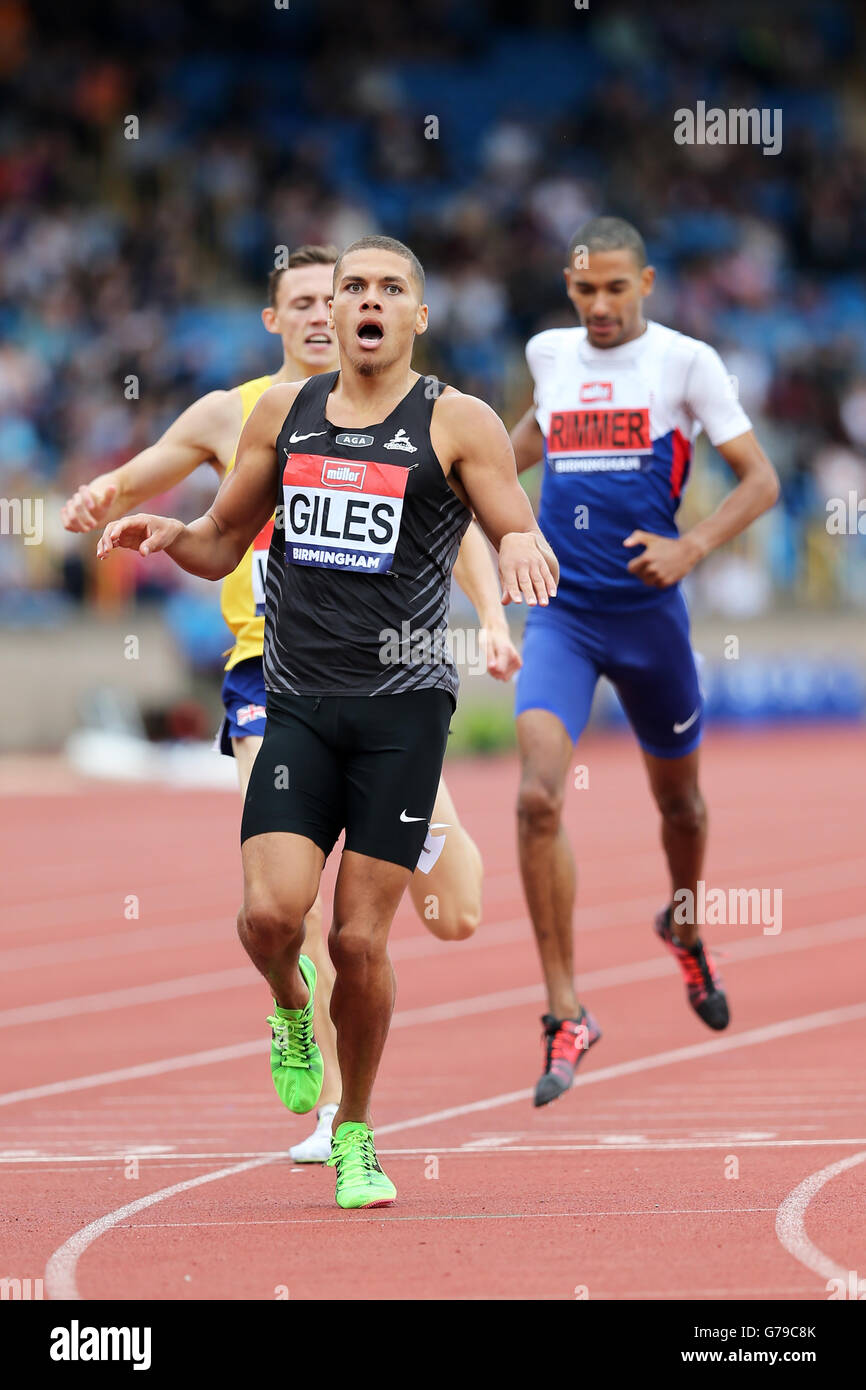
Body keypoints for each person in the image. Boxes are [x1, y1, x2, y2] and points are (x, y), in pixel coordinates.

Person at [96, 234, 558, 1208]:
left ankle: (354, 1132)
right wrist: (170, 535)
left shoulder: (457, 421)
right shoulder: (283, 412)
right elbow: (223, 536)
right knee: (269, 914)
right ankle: (290, 1010)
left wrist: (519, 557)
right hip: (295, 702)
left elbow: (508, 519)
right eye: (353, 287)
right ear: (333, 309)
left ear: (417, 315)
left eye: (391, 288)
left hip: (402, 712)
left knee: (358, 939)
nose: (366, 301)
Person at [510, 216, 780, 1107]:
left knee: (684, 806)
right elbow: (508, 453)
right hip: (561, 614)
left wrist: (691, 548)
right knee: (537, 796)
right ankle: (565, 1012)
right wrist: (468, 507)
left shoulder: (686, 363)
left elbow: (761, 479)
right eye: (584, 289)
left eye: (615, 289)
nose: (598, 306)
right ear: (569, 285)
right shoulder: (550, 355)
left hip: (651, 616)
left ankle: (686, 922)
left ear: (647, 284)